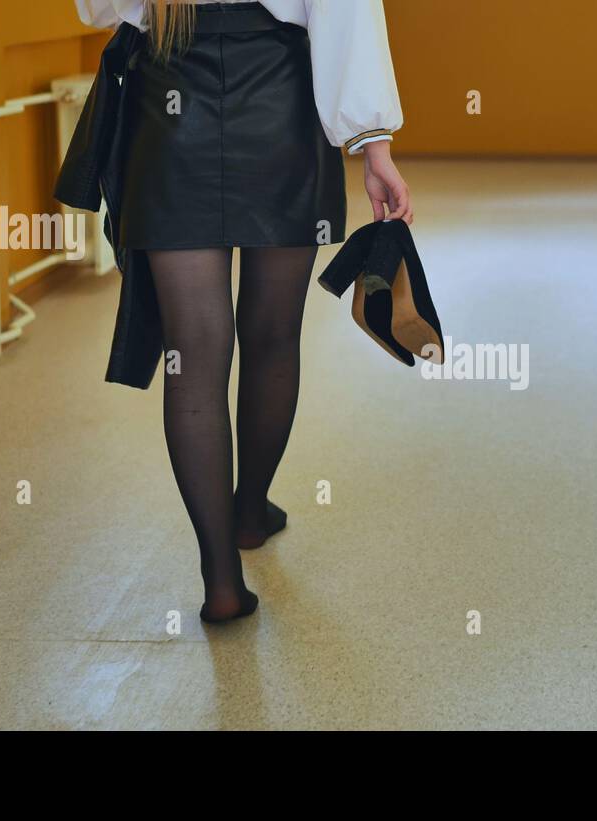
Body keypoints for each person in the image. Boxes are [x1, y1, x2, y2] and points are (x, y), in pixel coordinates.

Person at [68, 0, 412, 621]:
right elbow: (346, 12)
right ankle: (250, 510)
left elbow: (98, 9)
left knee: (193, 355)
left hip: (167, 108)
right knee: (273, 336)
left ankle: (220, 580)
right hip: (280, 108)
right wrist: (374, 148)